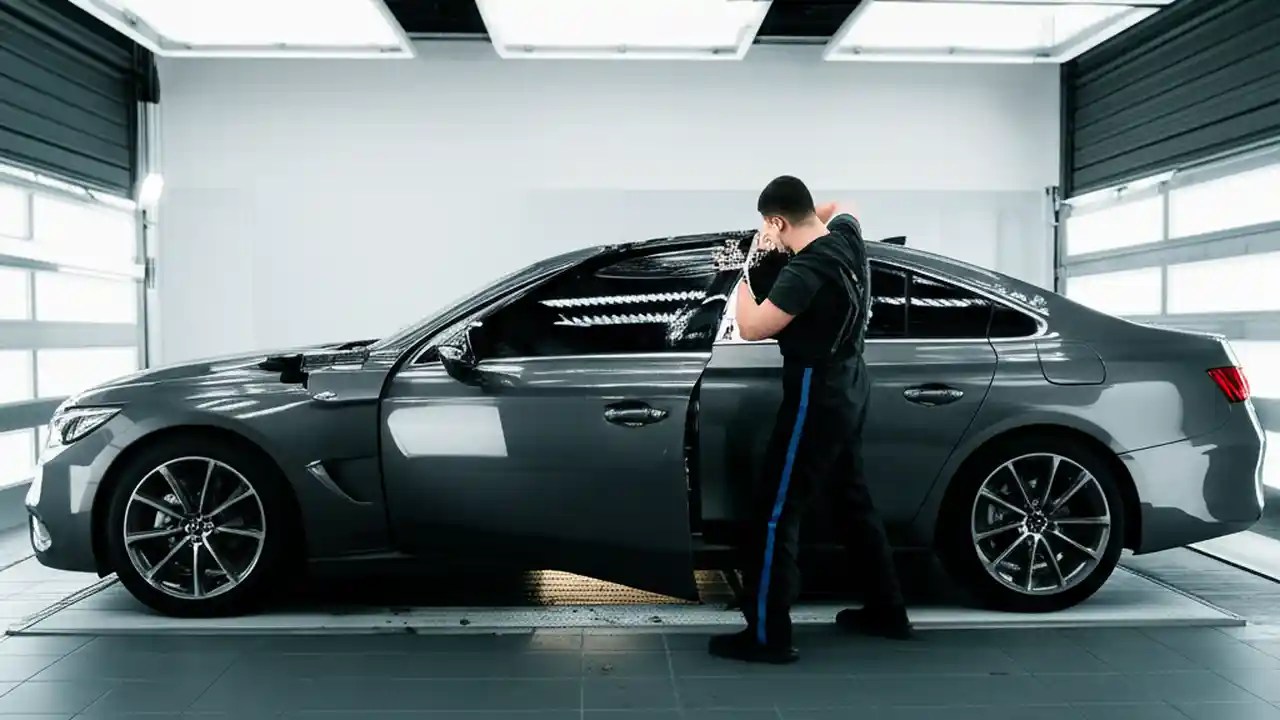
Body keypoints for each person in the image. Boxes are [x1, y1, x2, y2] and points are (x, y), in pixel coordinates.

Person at [708, 175, 912, 665]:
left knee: (777, 513)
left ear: (776, 221)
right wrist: (793, 224)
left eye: (768, 225)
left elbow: (754, 326)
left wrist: (743, 268)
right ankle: (888, 612)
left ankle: (766, 636)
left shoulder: (804, 271)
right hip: (851, 385)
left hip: (813, 394)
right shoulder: (845, 241)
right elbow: (844, 202)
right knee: (852, 501)